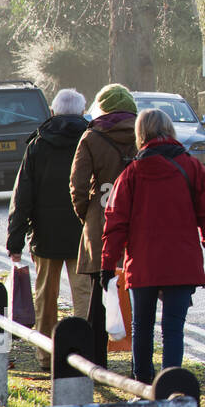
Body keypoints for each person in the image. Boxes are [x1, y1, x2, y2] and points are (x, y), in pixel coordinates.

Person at [101, 108, 205, 384]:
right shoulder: (192, 168)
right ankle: (171, 385)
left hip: (143, 263)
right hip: (182, 261)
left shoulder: (130, 174)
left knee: (142, 327)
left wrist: (107, 265)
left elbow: (115, 223)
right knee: (173, 329)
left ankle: (143, 386)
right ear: (170, 131)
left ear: (140, 134)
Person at [6, 88, 91, 370]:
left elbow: (23, 196)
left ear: (53, 112)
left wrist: (15, 241)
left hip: (45, 234)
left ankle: (45, 356)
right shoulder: (90, 140)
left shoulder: (38, 144)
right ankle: (83, 354)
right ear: (81, 112)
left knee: (46, 296)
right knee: (84, 296)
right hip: (82, 233)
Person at [70, 84, 138, 366]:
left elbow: (77, 185)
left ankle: (97, 362)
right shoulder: (143, 134)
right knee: (139, 296)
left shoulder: (90, 137)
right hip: (138, 222)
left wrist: (88, 215)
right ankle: (141, 366)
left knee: (99, 295)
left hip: (101, 224)